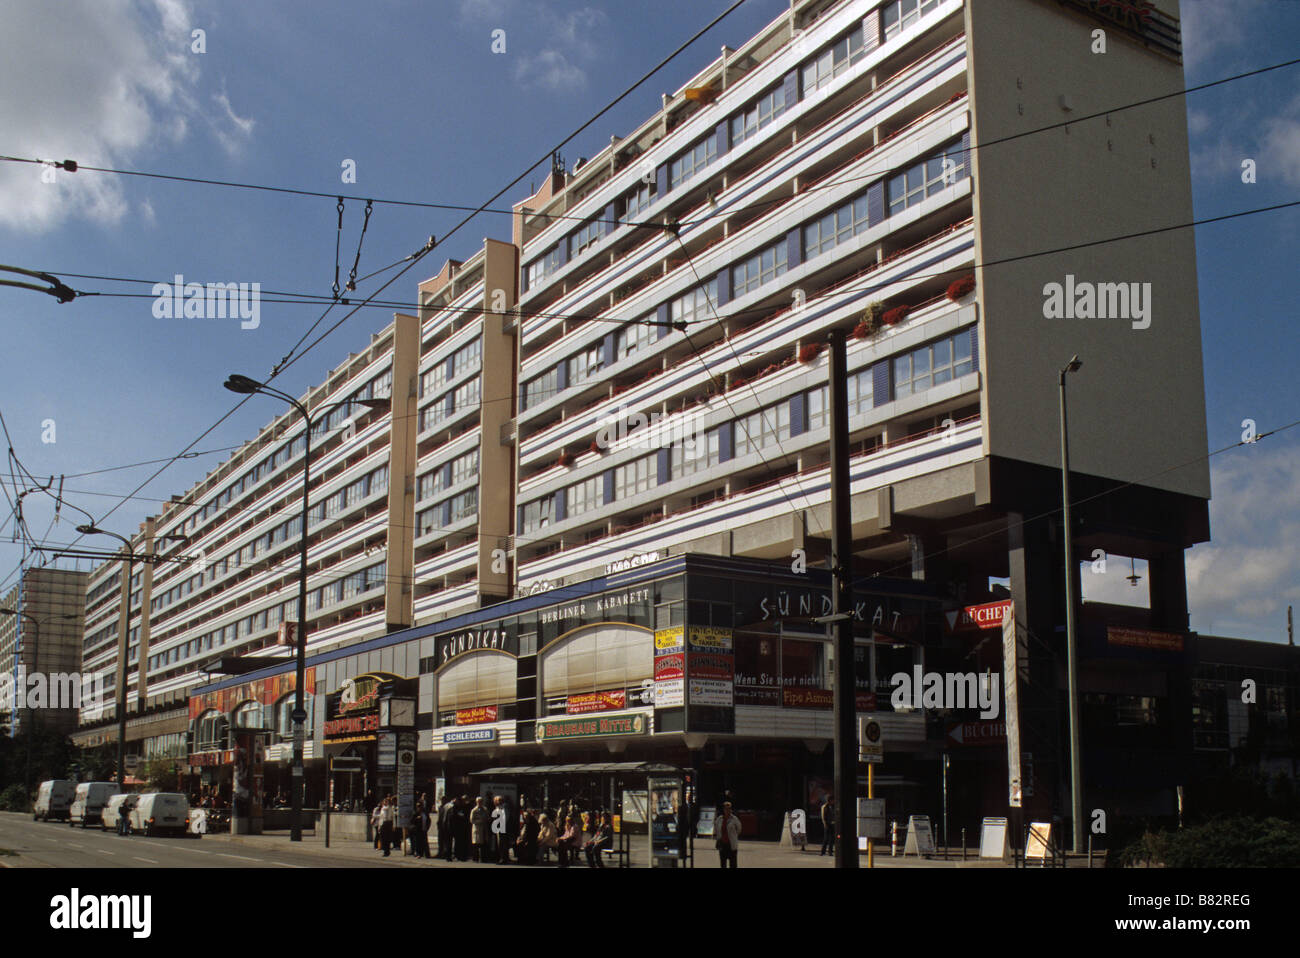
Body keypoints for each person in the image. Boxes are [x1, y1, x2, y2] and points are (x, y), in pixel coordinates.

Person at [713, 801, 741, 868]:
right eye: (726, 809)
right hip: (722, 844)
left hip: (731, 844)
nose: (728, 810)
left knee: (733, 864)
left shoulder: (734, 819)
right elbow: (716, 828)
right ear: (724, 809)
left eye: (729, 808)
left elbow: (739, 829)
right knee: (723, 864)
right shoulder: (719, 819)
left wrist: (734, 836)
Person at [470, 796, 489, 862]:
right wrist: (480, 821)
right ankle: (475, 858)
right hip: (477, 828)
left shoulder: (485, 809)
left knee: (483, 844)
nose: (480, 803)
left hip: (484, 828)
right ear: (476, 802)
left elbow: (487, 817)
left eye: (481, 801)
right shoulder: (474, 810)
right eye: (479, 801)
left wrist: (486, 820)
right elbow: (472, 820)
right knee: (476, 844)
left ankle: (483, 858)